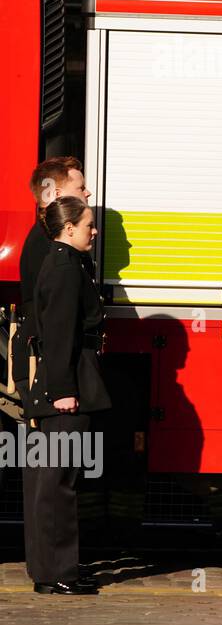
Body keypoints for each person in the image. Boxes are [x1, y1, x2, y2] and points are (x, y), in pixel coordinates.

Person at [26, 196, 111, 595]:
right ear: (69, 227)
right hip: (66, 387)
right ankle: (56, 574)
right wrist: (62, 390)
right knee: (59, 483)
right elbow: (59, 334)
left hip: (71, 382)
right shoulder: (64, 267)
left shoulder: (70, 262)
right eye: (89, 224)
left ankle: (57, 569)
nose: (94, 231)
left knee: (59, 479)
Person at [14, 159, 92, 403]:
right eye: (80, 187)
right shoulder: (51, 246)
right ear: (56, 194)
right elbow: (58, 321)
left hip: (46, 366)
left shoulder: (47, 239)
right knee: (60, 442)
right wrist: (63, 389)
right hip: (47, 370)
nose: (88, 192)